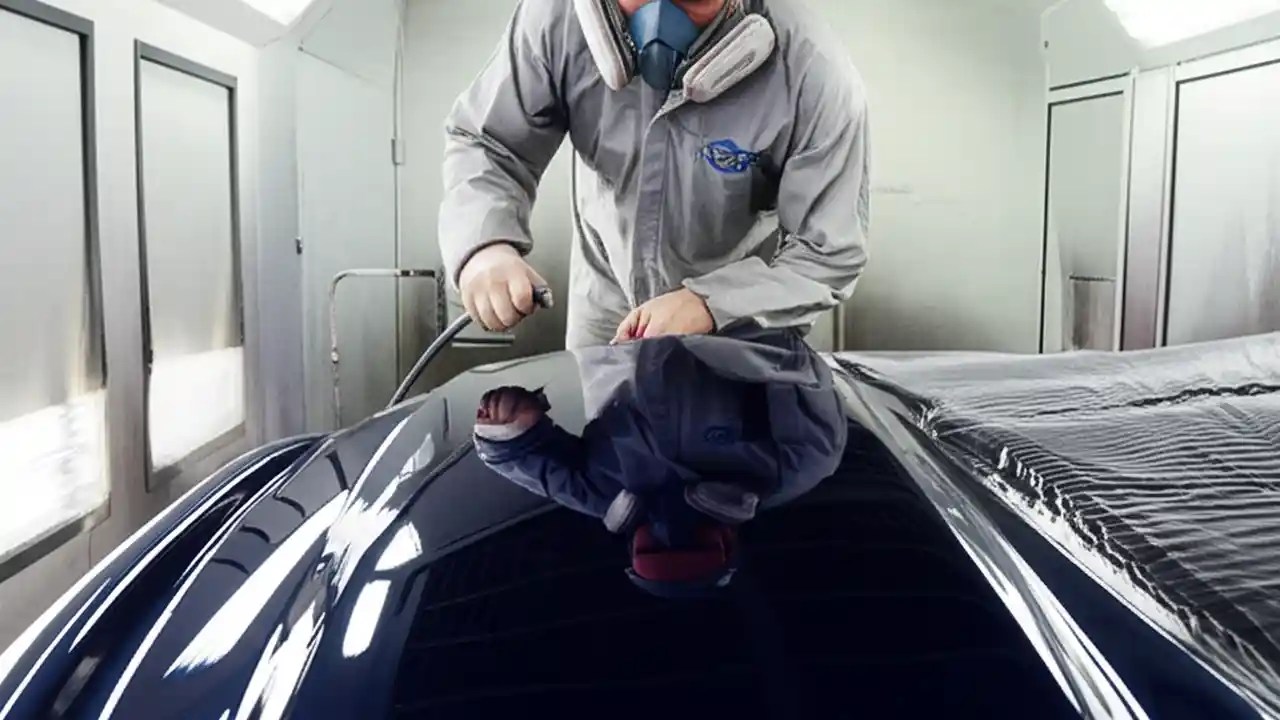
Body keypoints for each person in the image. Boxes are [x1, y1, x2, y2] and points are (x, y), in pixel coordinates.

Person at [441, 0, 870, 348]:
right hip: (605, 308)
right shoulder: (557, 18)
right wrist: (486, 247)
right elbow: (489, 143)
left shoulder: (813, 70)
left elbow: (826, 252)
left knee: (737, 451)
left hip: (745, 322)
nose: (660, 17)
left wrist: (713, 304)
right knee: (605, 445)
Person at [472, 327, 848, 596]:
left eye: (653, 548)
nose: (671, 535)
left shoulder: (607, 494)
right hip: (714, 272)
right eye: (694, 545)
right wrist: (703, 323)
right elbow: (789, 357)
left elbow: (518, 459)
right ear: (729, 542)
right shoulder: (798, 464)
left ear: (632, 545)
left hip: (608, 325)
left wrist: (507, 430)